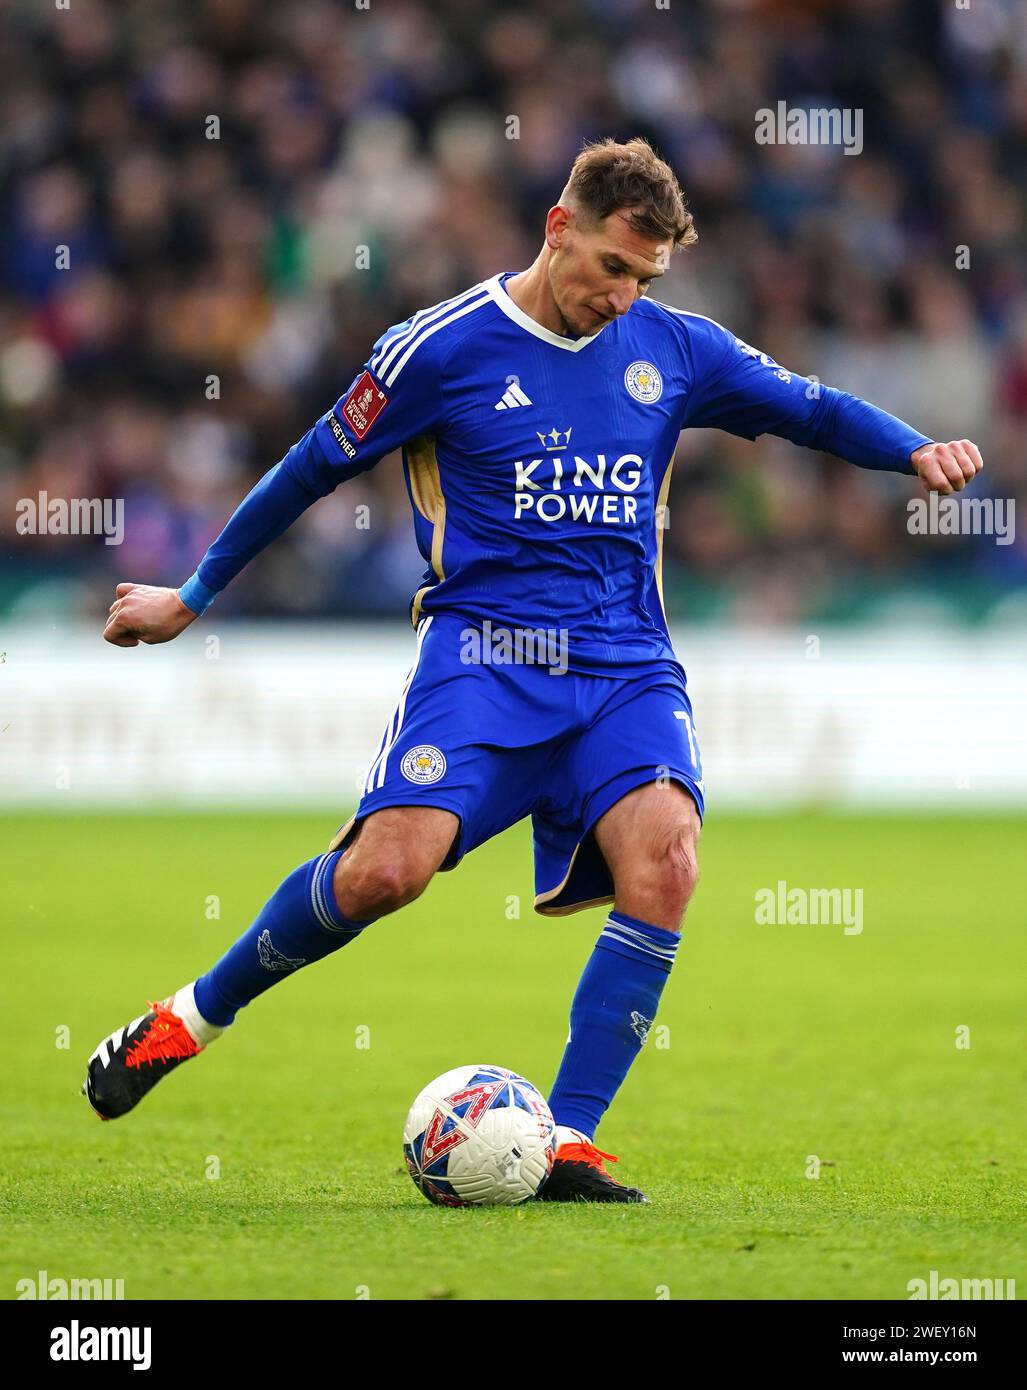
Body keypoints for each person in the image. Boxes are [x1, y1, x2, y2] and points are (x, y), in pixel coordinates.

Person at [84, 137, 983, 1203]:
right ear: (558, 228)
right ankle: (188, 1019)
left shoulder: (672, 350)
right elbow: (307, 467)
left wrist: (912, 449)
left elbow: (808, 405)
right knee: (386, 872)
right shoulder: (439, 349)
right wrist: (192, 594)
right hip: (485, 657)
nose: (622, 295)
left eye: (643, 278)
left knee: (669, 861)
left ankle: (570, 1138)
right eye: (610, 266)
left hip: (625, 664)